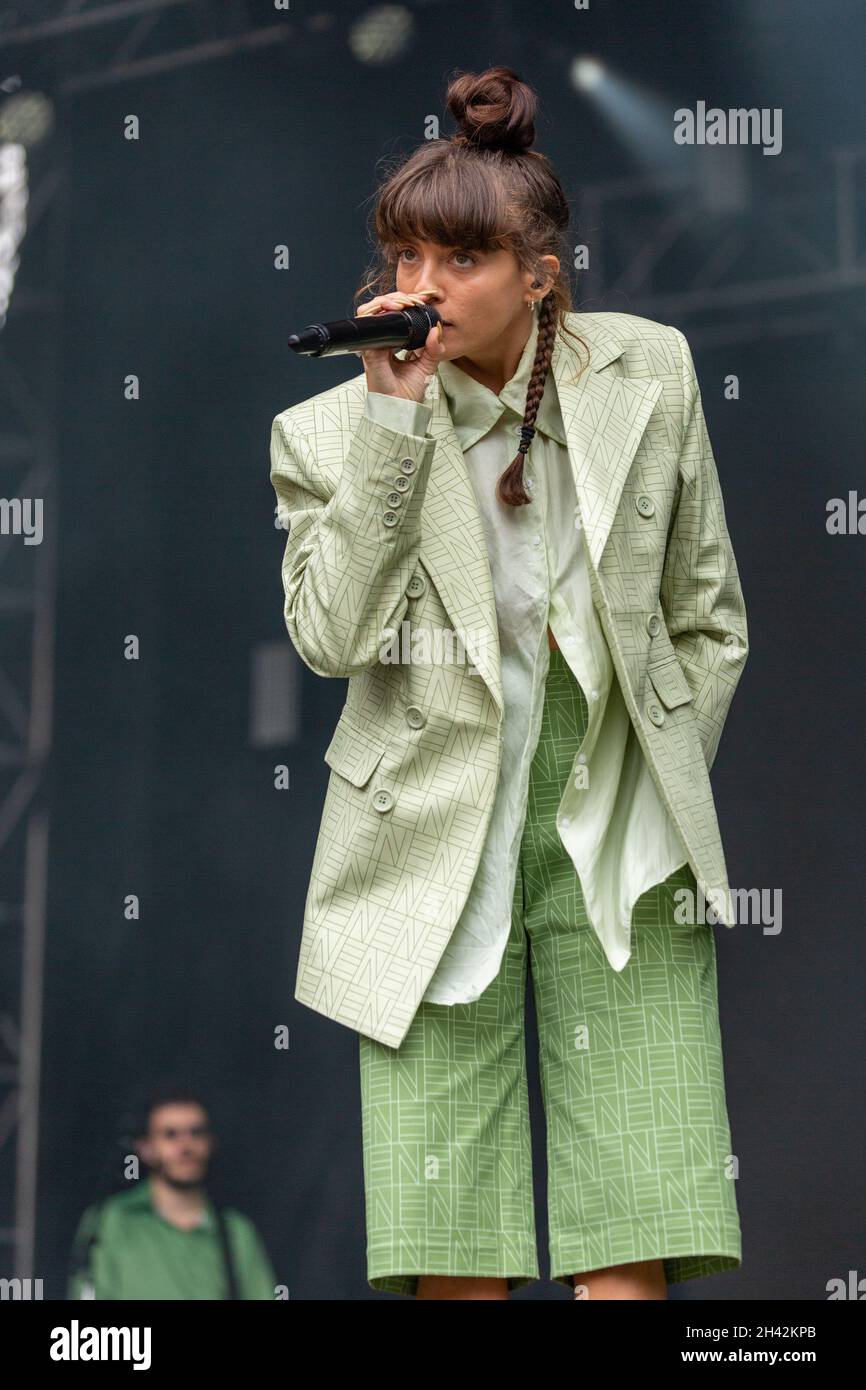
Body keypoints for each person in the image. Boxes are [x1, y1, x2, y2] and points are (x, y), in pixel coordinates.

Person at [270, 65, 749, 1299]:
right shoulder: (324, 432)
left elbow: (708, 619)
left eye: (457, 260)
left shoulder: (647, 373)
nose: (419, 287)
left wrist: (661, 758)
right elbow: (327, 637)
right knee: (451, 1252)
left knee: (631, 1220)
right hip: (422, 830)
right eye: (403, 254)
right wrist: (390, 425)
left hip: (617, 822)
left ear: (538, 272)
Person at [68, 1087, 276, 1299]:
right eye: (171, 1134)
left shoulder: (236, 1231)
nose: (186, 1146)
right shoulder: (111, 1219)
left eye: (196, 1132)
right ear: (146, 1148)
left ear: (210, 1143)